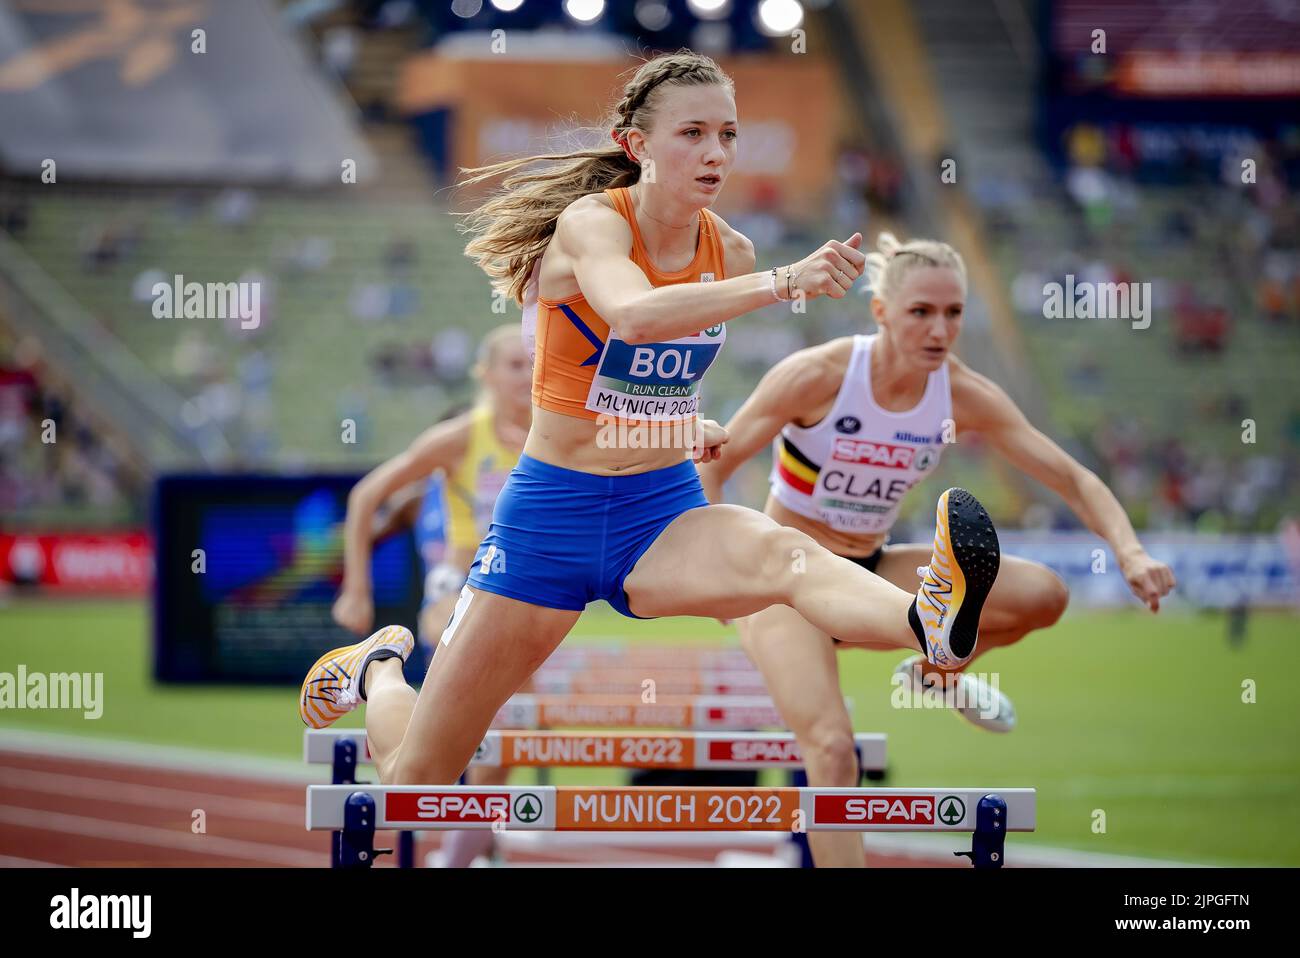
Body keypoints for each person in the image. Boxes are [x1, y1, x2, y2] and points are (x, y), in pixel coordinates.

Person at [297, 52, 1002, 807]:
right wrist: (783, 283)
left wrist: (679, 426)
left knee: (787, 557)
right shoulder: (591, 225)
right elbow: (632, 316)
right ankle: (377, 670)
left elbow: (653, 384)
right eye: (693, 133)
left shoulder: (729, 251)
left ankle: (929, 619)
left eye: (728, 135)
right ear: (635, 145)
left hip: (657, 513)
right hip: (550, 520)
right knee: (415, 785)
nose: (716, 154)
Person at [697, 231, 1177, 866]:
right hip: (784, 583)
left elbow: (1072, 478)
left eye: (953, 313)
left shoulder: (961, 392)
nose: (939, 329)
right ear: (882, 313)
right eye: (920, 312)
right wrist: (721, 573)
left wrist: (1130, 552)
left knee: (1044, 595)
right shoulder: (819, 376)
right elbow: (711, 463)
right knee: (834, 750)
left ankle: (936, 671)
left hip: (870, 569)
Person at [324, 323, 529, 867]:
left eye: (537, 361)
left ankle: (465, 851)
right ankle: (382, 668)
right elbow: (368, 495)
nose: (529, 374)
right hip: (462, 585)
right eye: (514, 364)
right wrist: (356, 588)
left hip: (530, 597)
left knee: (516, 733)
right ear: (484, 374)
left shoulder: (555, 437)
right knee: (458, 741)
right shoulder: (462, 436)